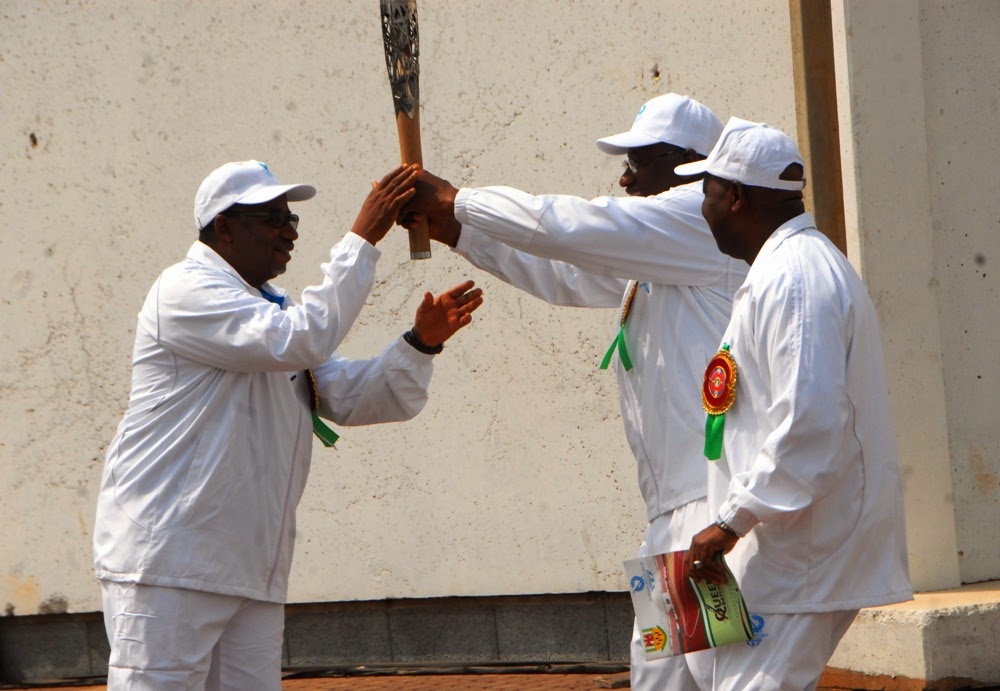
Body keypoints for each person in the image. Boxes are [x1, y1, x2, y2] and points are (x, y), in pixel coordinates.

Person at [92, 160, 484, 689]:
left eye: (291, 219)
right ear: (224, 227)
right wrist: (362, 238)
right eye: (273, 218)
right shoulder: (185, 291)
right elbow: (303, 339)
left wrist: (420, 344)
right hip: (170, 565)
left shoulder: (269, 310)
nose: (289, 231)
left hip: (250, 568)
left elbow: (352, 397)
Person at [402, 94, 748, 690]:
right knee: (662, 680)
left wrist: (458, 200)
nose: (624, 179)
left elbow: (573, 225)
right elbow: (564, 272)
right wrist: (457, 230)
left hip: (712, 508)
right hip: (671, 516)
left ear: (686, 162)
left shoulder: (697, 219)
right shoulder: (660, 251)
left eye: (636, 163)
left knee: (726, 677)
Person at [678, 118, 912, 690]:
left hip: (802, 549)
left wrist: (733, 520)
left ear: (737, 197)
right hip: (787, 542)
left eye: (708, 192)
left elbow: (810, 424)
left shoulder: (795, 280)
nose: (703, 208)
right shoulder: (788, 269)